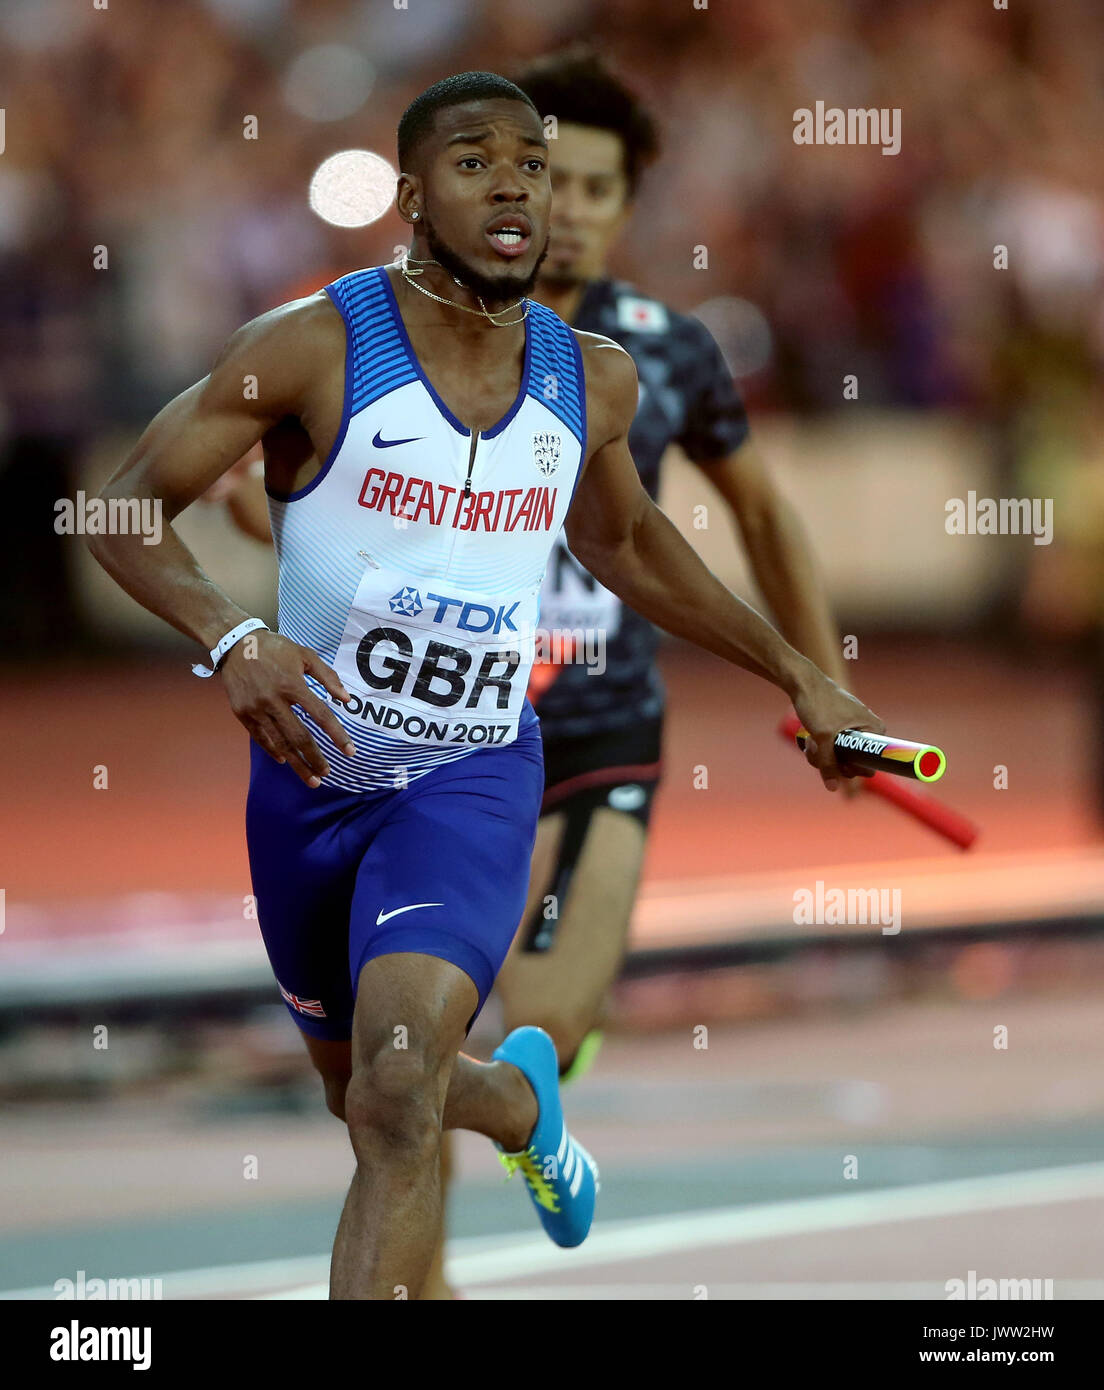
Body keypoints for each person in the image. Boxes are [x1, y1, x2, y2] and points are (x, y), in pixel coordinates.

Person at [89, 71, 882, 1301]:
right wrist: (234, 635)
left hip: (467, 777)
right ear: (409, 195)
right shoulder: (310, 343)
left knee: (397, 1090)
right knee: (365, 1090)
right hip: (307, 782)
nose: (513, 180)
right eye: (474, 159)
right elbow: (120, 505)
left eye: (530, 158)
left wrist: (802, 673)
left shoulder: (592, 378)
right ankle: (516, 1101)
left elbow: (626, 546)